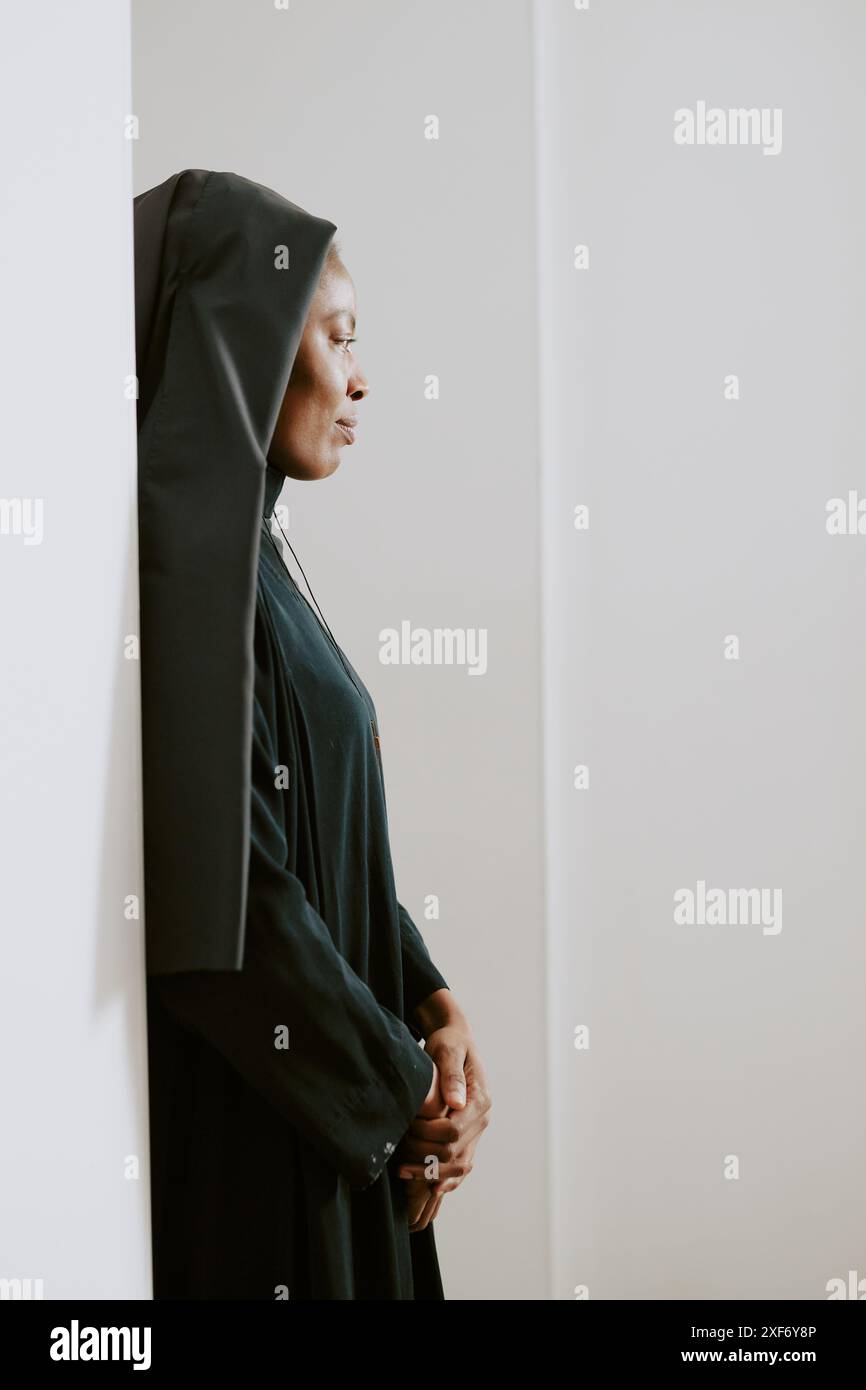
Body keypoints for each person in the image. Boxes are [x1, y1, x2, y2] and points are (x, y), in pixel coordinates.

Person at [135, 169, 491, 1300]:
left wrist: (430, 1000)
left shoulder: (262, 562)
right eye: (337, 338)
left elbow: (321, 839)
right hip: (270, 1152)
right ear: (247, 340)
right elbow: (229, 908)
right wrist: (402, 1094)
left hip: (337, 1129)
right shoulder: (185, 578)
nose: (361, 379)